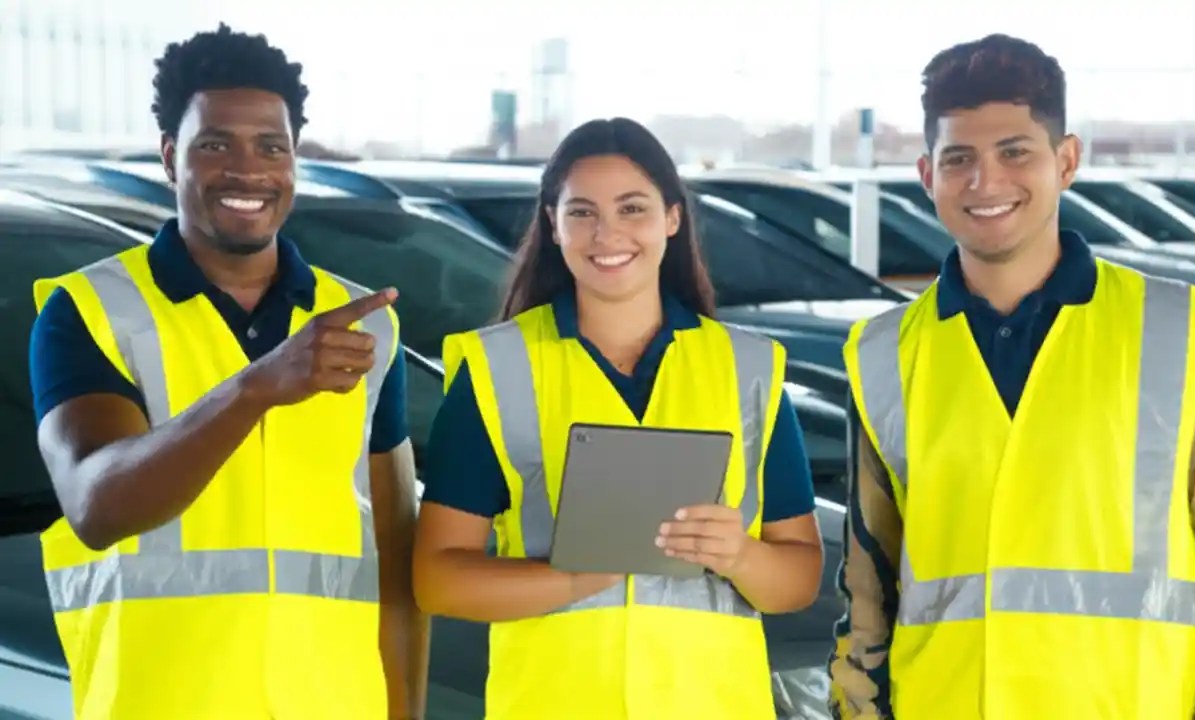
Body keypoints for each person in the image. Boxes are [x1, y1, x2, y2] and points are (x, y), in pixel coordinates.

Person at [830, 34, 1195, 720]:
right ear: (927, 175)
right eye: (959, 159)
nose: (986, 182)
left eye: (1014, 152)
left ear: (1066, 160)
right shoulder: (885, 355)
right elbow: (869, 603)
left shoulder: (1171, 334)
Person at [28, 24, 428, 719]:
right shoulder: (90, 311)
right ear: (168, 157)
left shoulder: (365, 324)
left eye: (272, 147)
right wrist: (256, 388)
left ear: (295, 160)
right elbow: (97, 507)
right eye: (215, 145)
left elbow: (396, 565)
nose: (248, 170)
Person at [412, 117, 823, 719]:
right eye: (581, 212)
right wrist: (576, 580)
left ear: (672, 219)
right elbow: (438, 580)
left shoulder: (746, 367)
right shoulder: (499, 368)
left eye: (632, 208)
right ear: (552, 224)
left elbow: (798, 580)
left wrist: (737, 555)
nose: (607, 234)